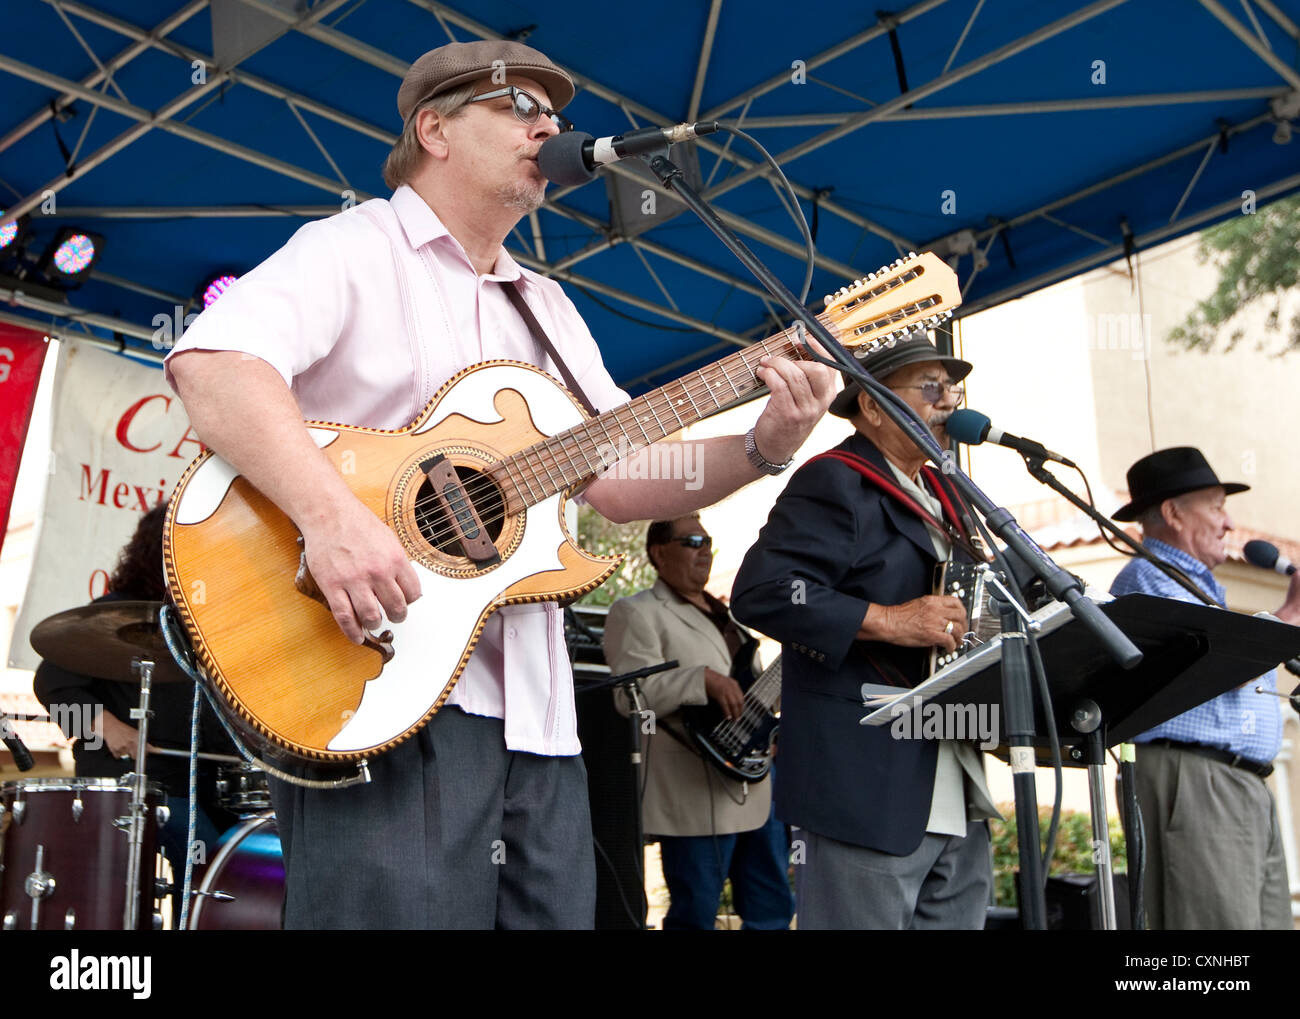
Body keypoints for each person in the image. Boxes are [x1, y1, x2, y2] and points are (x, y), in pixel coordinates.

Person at [163, 39, 834, 929]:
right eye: (519, 106)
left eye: (555, 114)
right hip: (380, 684)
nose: (550, 127)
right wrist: (331, 518)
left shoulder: (546, 308)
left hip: (541, 720)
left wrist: (765, 442)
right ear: (434, 128)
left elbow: (621, 474)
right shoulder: (354, 247)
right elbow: (212, 366)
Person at [730, 332, 999, 929]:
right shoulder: (836, 481)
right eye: (929, 387)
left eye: (951, 389)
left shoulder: (946, 496)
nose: (947, 401)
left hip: (955, 774)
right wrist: (889, 621)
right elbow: (763, 591)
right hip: (866, 778)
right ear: (873, 407)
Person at [1110, 446, 1300, 929]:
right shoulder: (1148, 578)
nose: (1229, 522)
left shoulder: (1199, 585)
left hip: (1237, 782)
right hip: (1194, 777)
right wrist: (1288, 617)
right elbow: (1209, 662)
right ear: (1172, 513)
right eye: (1215, 505)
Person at [32, 502, 239, 922]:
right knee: (200, 845)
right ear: (160, 552)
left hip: (212, 786)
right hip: (135, 785)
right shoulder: (115, 615)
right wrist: (102, 727)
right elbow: (49, 686)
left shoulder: (214, 622)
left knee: (254, 856)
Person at [603, 515, 794, 929]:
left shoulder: (731, 618)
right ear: (659, 552)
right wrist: (699, 679)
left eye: (707, 542)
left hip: (755, 785)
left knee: (773, 909)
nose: (704, 550)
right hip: (692, 792)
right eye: (691, 541)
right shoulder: (637, 612)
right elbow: (629, 695)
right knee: (696, 913)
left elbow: (748, 692)